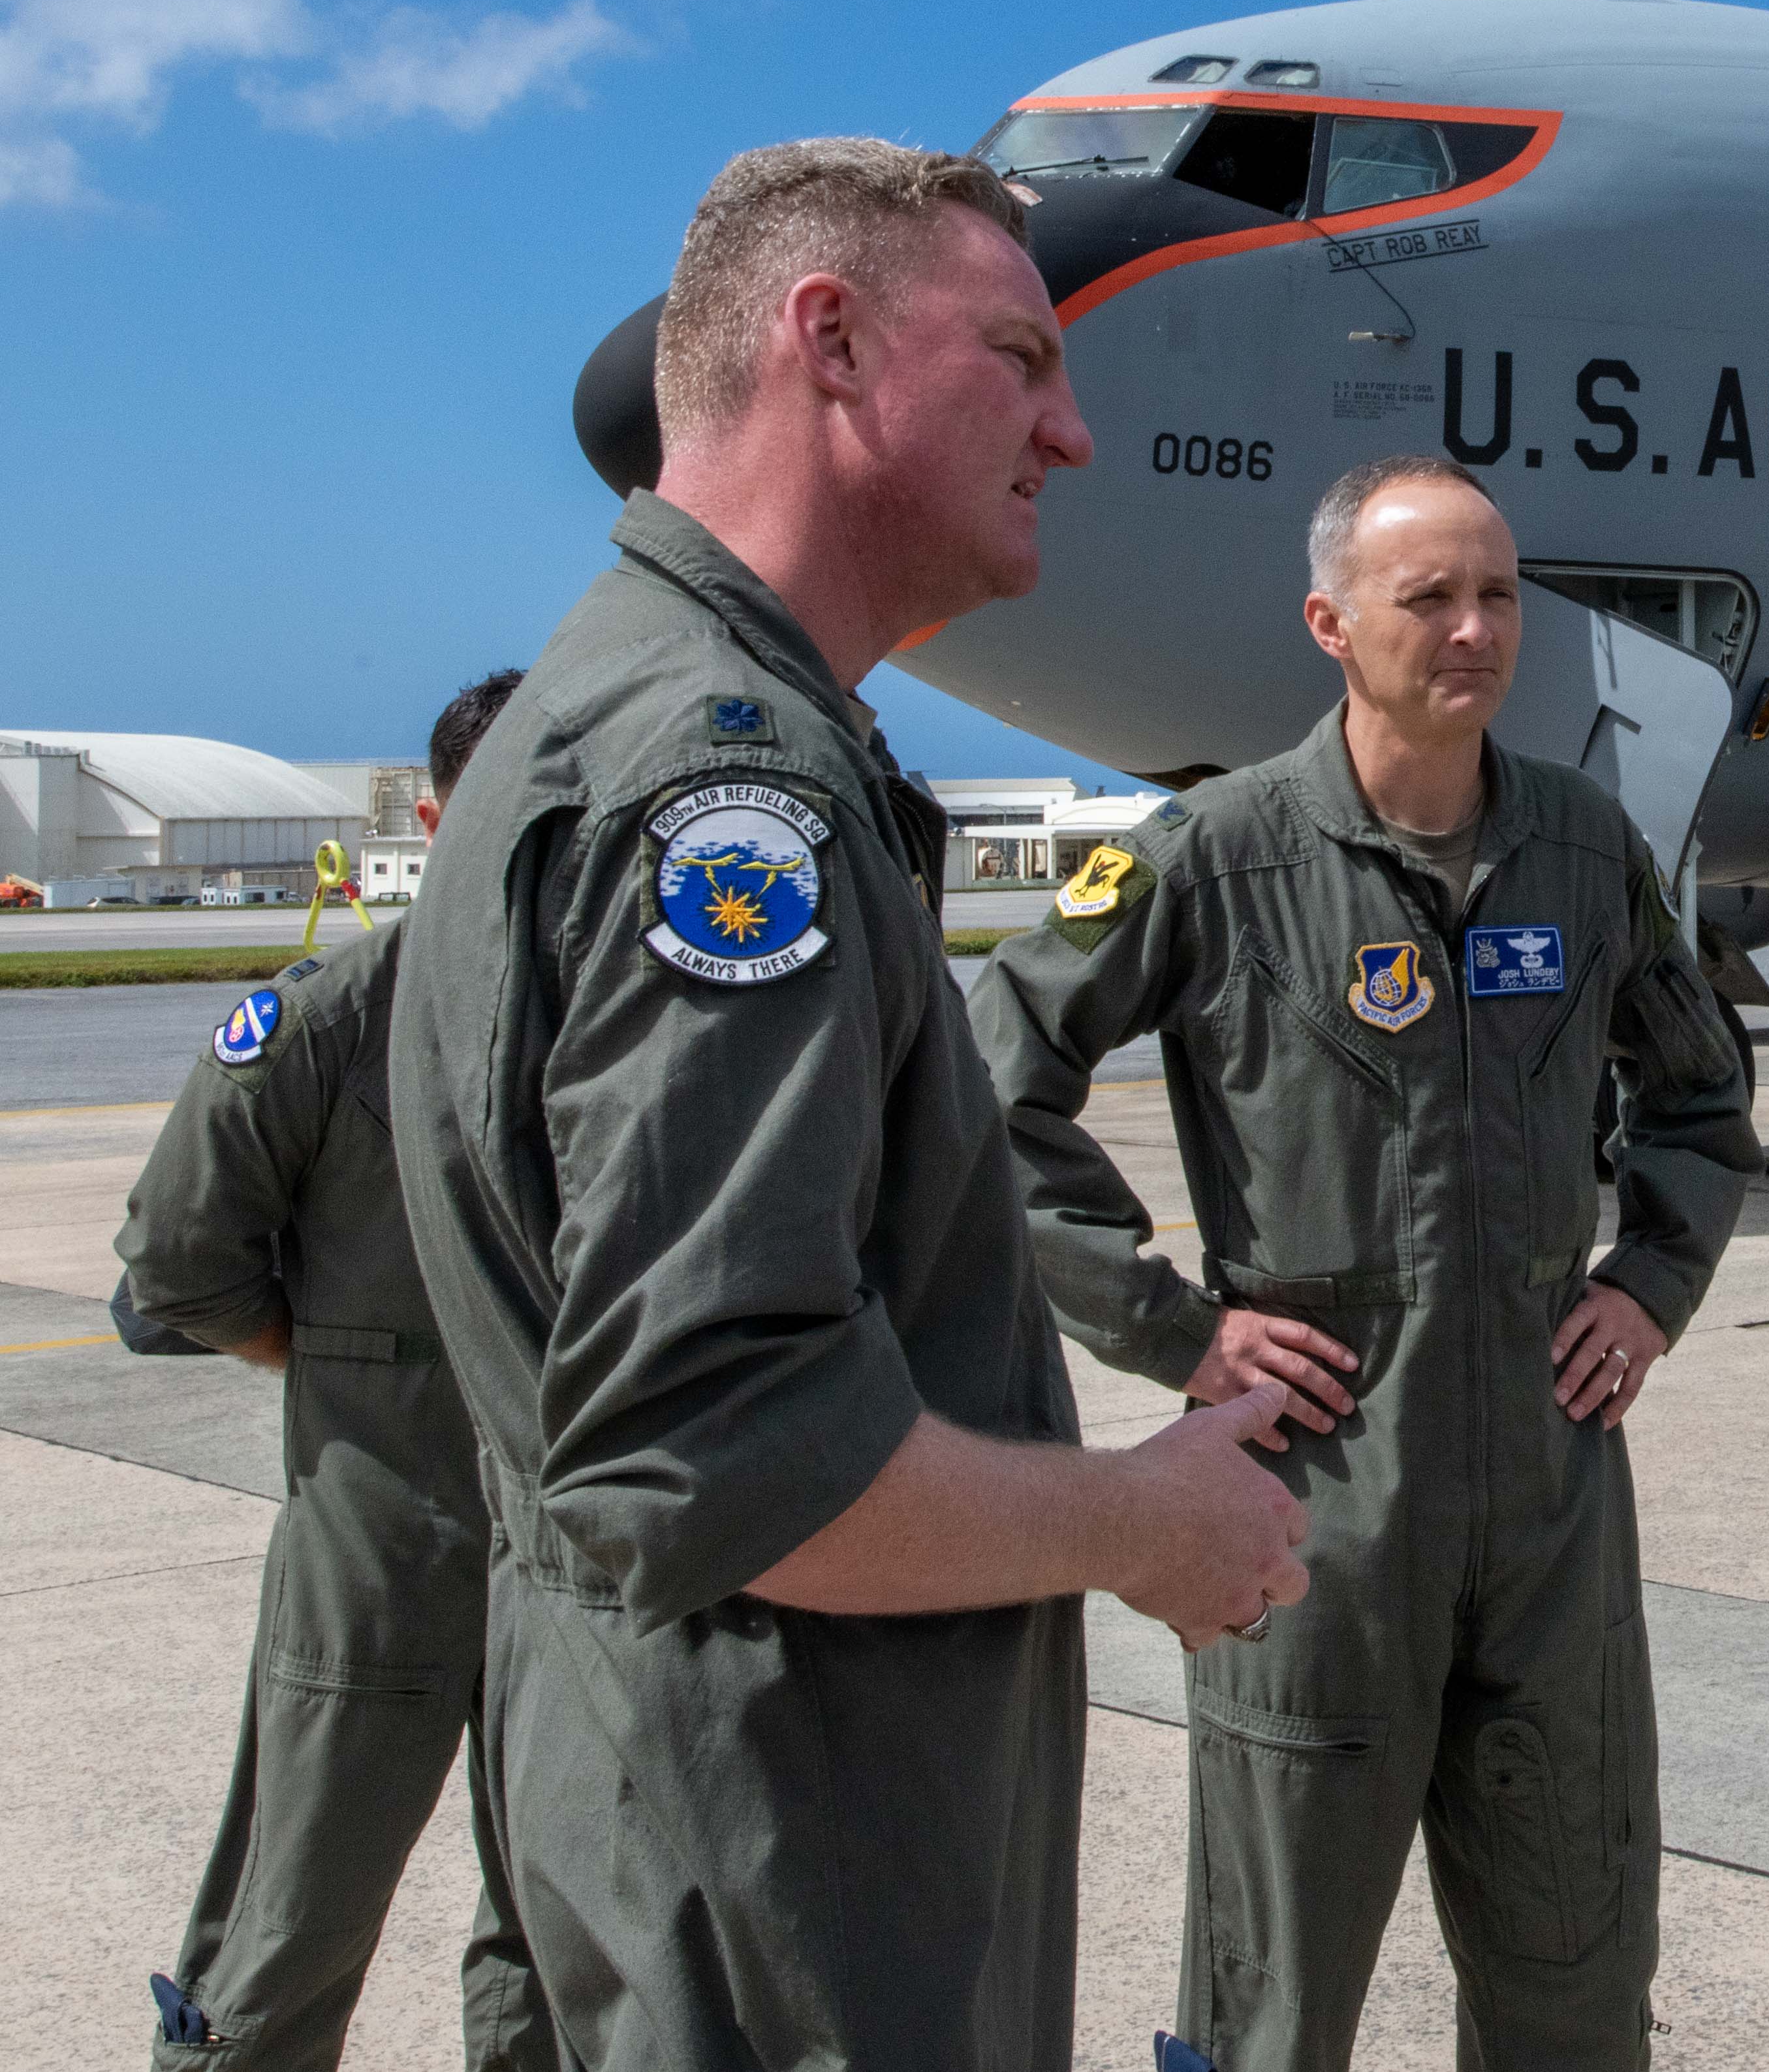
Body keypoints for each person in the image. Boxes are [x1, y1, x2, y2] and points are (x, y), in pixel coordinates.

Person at [388, 138, 1313, 2072]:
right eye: (1021, 357)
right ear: (829, 341)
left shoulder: (609, 712)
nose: (1070, 431)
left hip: (697, 1826)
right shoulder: (729, 792)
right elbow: (729, 1448)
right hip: (792, 1889)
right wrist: (1141, 1518)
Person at [964, 452, 1757, 2072]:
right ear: (1329, 621)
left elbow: (1700, 1092)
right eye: (1430, 597)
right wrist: (1172, 1328)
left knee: (1577, 1975)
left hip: (1549, 1503)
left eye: (1499, 594)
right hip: (1313, 1506)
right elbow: (991, 1096)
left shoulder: (1584, 849)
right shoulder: (1213, 852)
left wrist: (1649, 1282)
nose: (1473, 630)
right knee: (1275, 1995)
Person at [115, 670, 553, 2071]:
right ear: (433, 817)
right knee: (296, 1912)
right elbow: (178, 1261)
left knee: (563, 1921)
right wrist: (333, 1366)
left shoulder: (630, 1014)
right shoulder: (328, 1015)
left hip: (574, 1535)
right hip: (382, 1530)